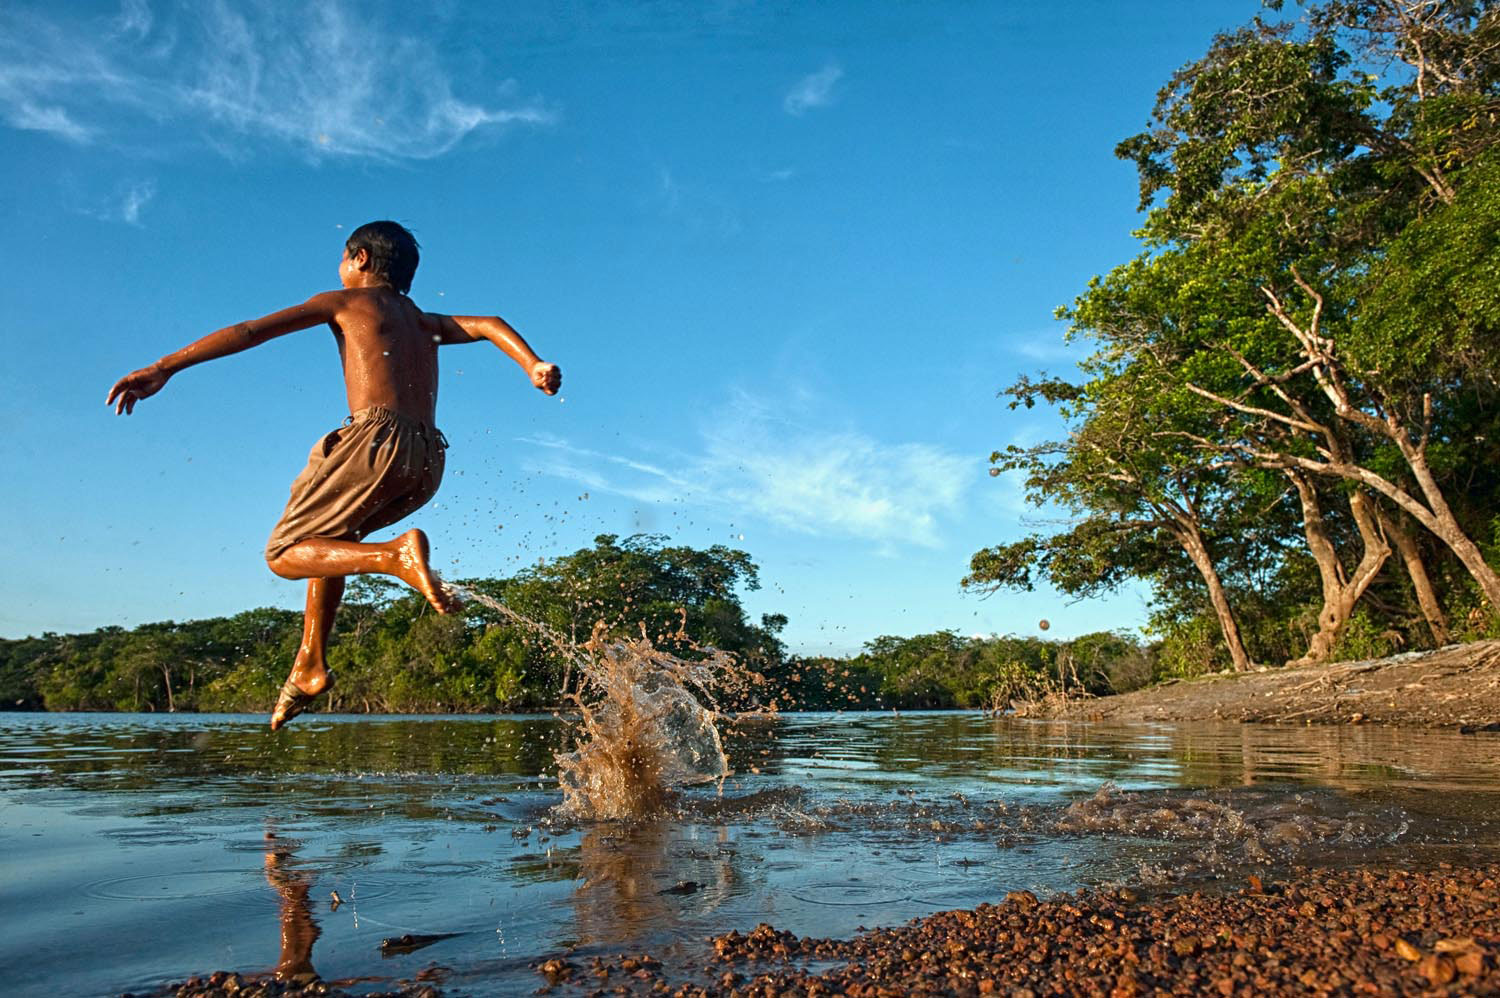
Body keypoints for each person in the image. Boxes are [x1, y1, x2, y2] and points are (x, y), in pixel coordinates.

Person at [106, 220, 561, 730]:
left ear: (360, 259)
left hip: (375, 440)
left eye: (343, 258)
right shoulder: (424, 321)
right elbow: (489, 323)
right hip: (428, 458)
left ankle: (396, 557)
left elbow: (249, 332)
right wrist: (532, 363)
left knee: (283, 553)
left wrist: (166, 365)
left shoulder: (345, 302)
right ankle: (309, 664)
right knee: (330, 541)